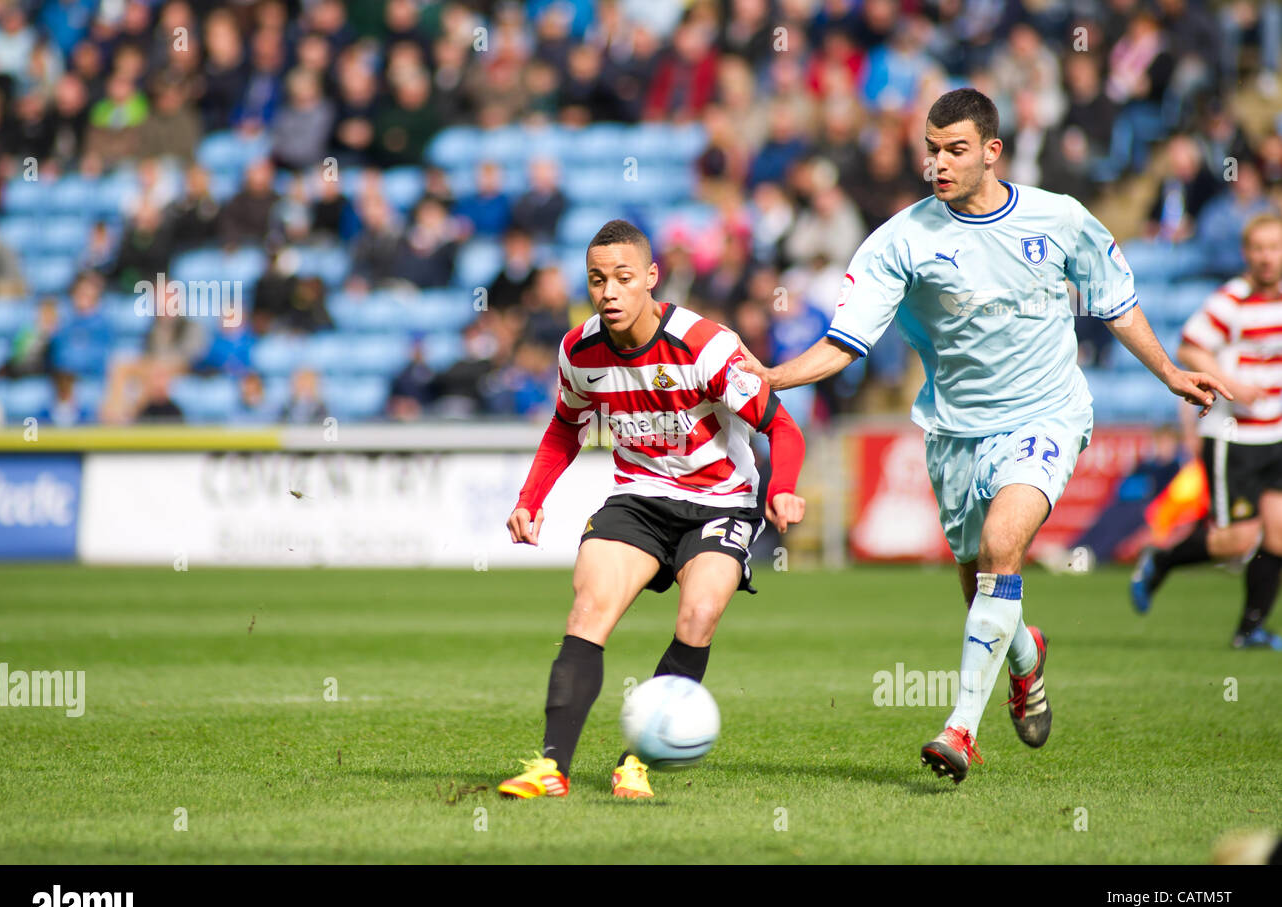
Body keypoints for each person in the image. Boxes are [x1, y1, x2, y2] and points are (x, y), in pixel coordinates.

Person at [740, 88, 1230, 784]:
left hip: (1048, 413)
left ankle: (959, 730)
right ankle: (1025, 656)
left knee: (1005, 545)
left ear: (992, 151)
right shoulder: (901, 240)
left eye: (955, 149)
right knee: (979, 581)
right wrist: (776, 376)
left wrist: (1169, 372)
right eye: (931, 149)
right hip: (955, 429)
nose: (938, 162)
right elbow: (846, 341)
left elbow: (1117, 305)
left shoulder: (1058, 218)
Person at [497, 219, 807, 800]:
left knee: (699, 615)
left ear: (650, 278)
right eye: (596, 280)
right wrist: (529, 500)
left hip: (720, 503)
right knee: (588, 609)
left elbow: (783, 426)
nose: (608, 292)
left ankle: (636, 760)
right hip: (639, 499)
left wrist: (782, 487)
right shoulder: (579, 350)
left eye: (621, 278)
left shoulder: (704, 345)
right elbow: (566, 427)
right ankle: (550, 767)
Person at [1131, 213, 1282, 650]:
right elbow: (1189, 347)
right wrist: (1231, 385)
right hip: (1235, 436)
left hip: (1276, 433)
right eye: (1258, 249)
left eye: (1274, 248)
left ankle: (1249, 629)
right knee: (1234, 540)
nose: (1266, 258)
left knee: (1277, 534)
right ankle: (1160, 562)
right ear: (1246, 254)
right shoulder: (1232, 300)